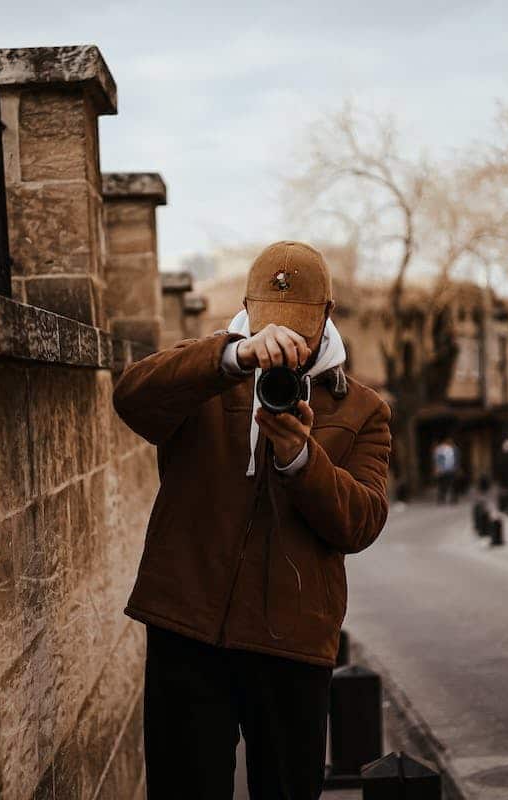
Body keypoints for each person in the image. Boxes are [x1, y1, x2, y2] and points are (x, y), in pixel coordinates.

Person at [113, 241, 392, 800]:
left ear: (328, 315)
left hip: (292, 643)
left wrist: (301, 458)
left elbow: (361, 522)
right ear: (246, 307)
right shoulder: (203, 374)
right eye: (273, 327)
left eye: (301, 330)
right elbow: (131, 398)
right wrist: (231, 358)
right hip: (187, 628)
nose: (287, 347)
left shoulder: (362, 409)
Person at [432, 437, 459, 504]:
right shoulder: (441, 450)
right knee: (444, 485)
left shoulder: (453, 449)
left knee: (449, 485)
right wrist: (437, 469)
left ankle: (450, 499)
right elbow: (437, 460)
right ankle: (443, 499)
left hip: (449, 470)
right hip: (445, 470)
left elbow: (456, 459)